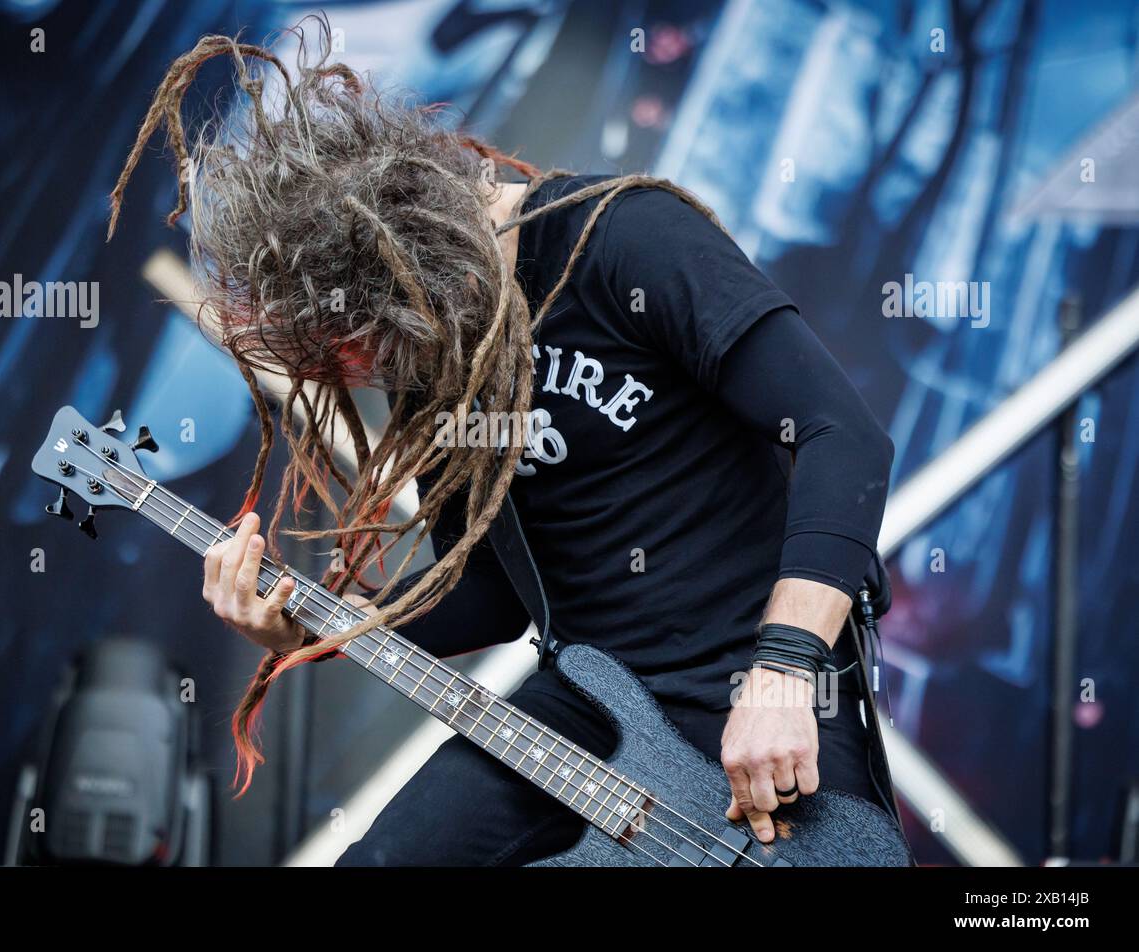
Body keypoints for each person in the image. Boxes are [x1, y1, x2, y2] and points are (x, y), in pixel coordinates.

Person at [109, 22, 898, 866]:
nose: (360, 369)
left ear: (404, 269)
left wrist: (782, 672)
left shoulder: (628, 240)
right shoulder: (434, 339)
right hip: (591, 700)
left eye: (357, 343)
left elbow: (839, 435)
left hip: (756, 684)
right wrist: (313, 627)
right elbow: (490, 590)